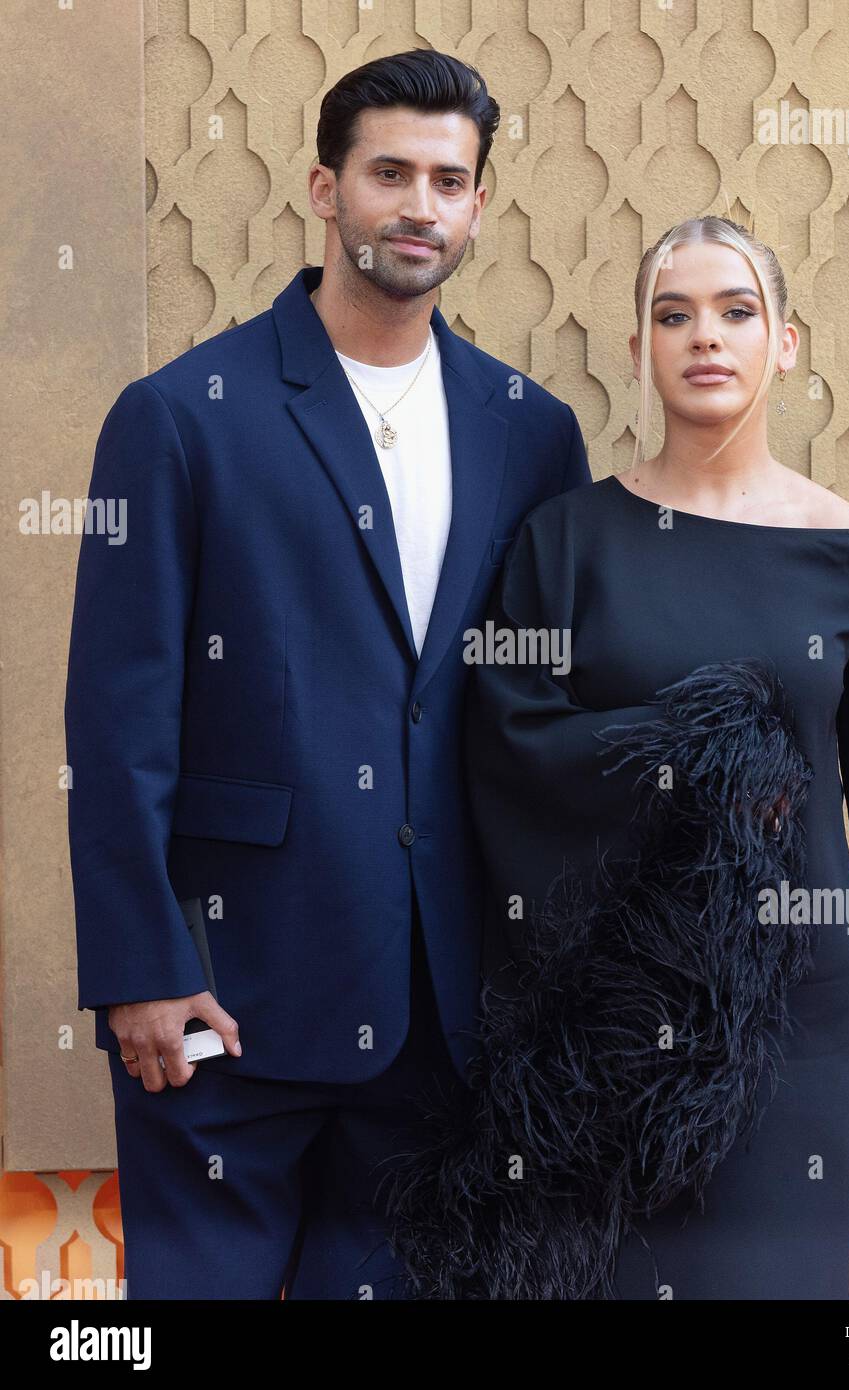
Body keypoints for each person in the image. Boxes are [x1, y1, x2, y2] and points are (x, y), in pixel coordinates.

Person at [63, 48, 590, 1300]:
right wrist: (141, 963)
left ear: (476, 208)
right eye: (389, 172)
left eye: (448, 180)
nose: (419, 204)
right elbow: (117, 716)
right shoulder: (182, 413)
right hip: (225, 1000)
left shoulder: (531, 428)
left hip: (446, 1008)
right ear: (323, 187)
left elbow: (543, 713)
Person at [385, 215, 849, 1300]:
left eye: (735, 312)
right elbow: (506, 747)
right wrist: (702, 757)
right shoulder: (565, 539)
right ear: (639, 346)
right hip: (609, 1015)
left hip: (795, 1005)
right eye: (672, 313)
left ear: (782, 342)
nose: (705, 336)